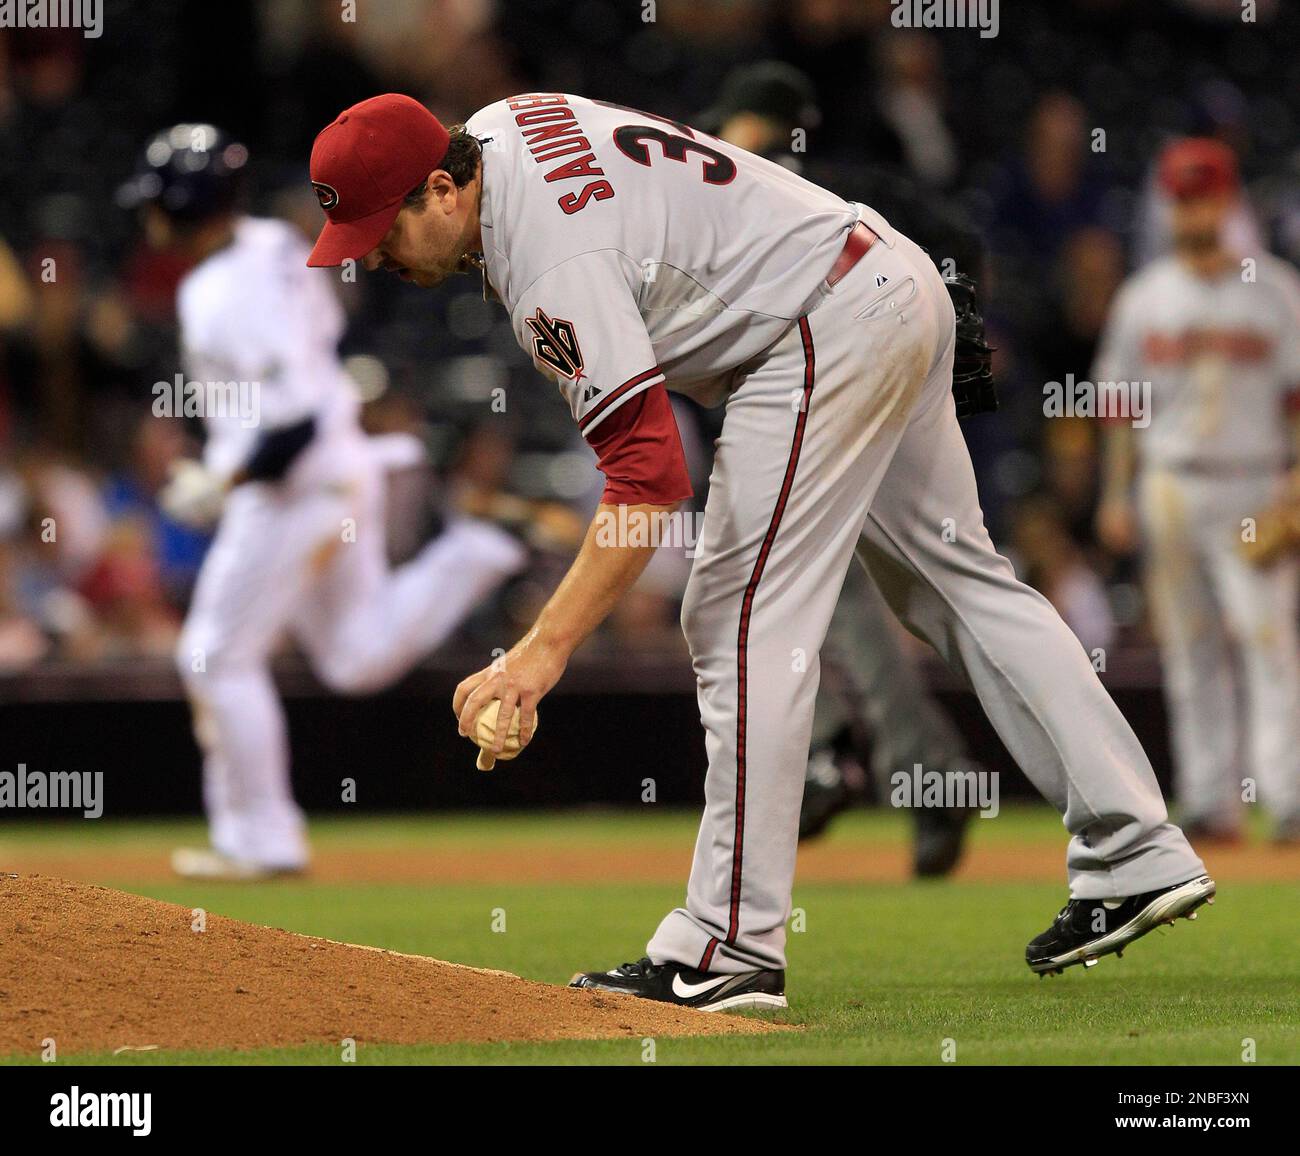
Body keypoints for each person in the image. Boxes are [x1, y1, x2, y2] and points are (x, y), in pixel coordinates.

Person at [307, 92, 1213, 1008]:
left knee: (736, 616)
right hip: (878, 269)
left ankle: (728, 943)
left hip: (814, 328)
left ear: (441, 186)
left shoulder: (551, 262)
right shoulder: (502, 120)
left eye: (383, 230)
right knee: (962, 587)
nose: (375, 256)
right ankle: (1133, 849)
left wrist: (542, 650)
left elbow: (649, 478)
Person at [121, 124, 529, 880]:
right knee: (353, 655)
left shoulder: (220, 287)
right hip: (336, 469)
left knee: (213, 655)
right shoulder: (274, 244)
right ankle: (480, 549)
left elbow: (293, 416)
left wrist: (226, 480)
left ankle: (261, 839)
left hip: (296, 485)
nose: (147, 220)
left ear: (178, 206)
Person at [702, 60, 983, 872]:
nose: (726, 135)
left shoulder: (827, 186)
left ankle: (848, 760)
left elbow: (957, 248)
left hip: (861, 403)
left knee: (795, 589)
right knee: (837, 599)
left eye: (741, 121)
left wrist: (956, 378)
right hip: (820, 408)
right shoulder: (758, 192)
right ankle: (886, 766)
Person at [1096, 137, 1300, 846]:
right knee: (1190, 648)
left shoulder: (1274, 289)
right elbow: (1118, 409)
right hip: (1171, 484)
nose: (1193, 209)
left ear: (1228, 197)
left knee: (1267, 640)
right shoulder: (1144, 297)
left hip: (1254, 483)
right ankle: (1211, 800)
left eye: (1204, 194)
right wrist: (1115, 496)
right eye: (1182, 197)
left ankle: (1288, 797)